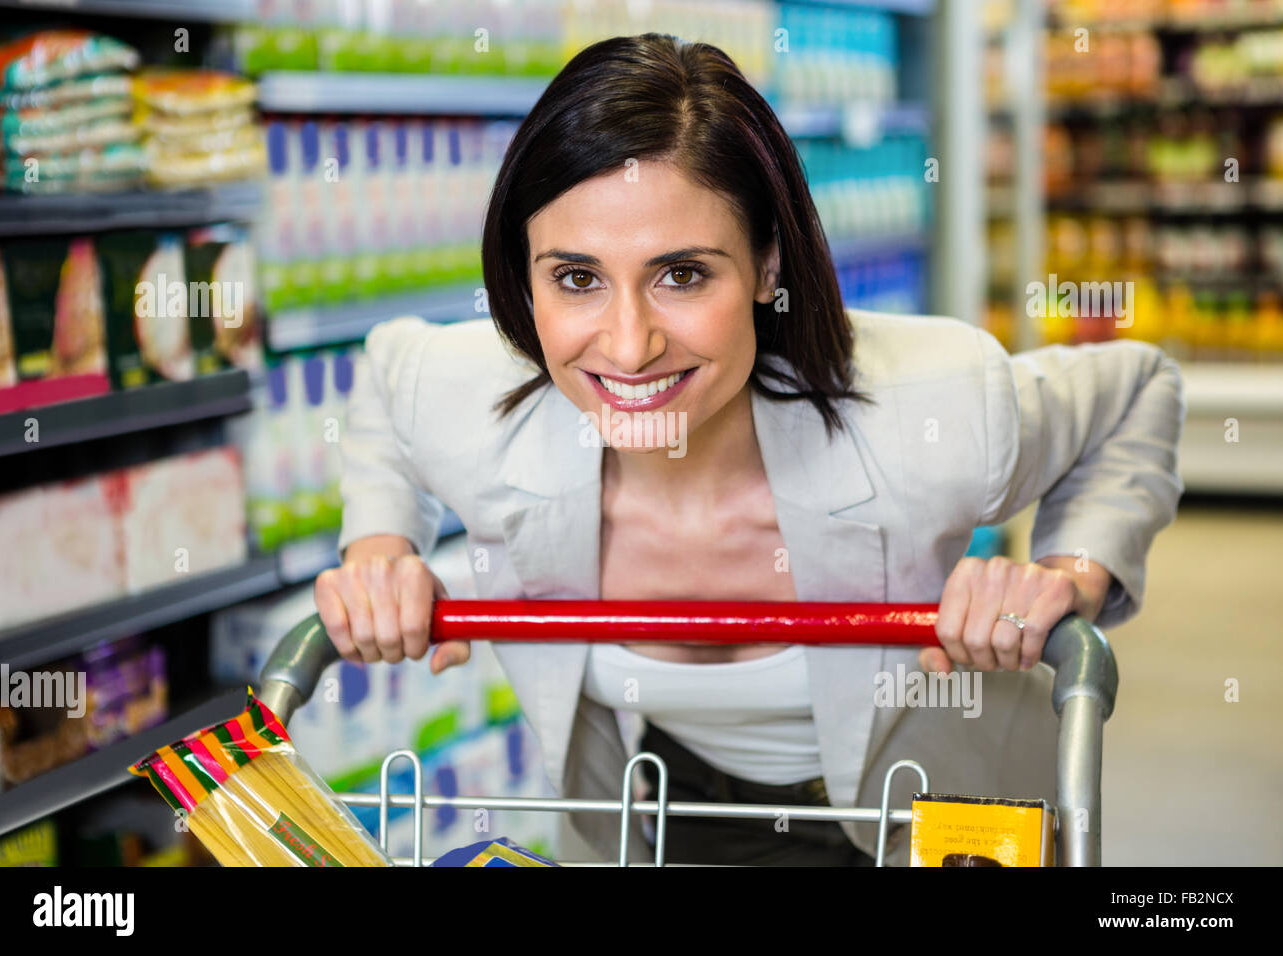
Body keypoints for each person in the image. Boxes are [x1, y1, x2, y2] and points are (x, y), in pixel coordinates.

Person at [314, 33, 1185, 866]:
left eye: (682, 275)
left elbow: (1137, 391)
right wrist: (381, 552)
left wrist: (1065, 575)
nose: (627, 345)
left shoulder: (936, 410)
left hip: (941, 817)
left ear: (769, 265)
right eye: (576, 278)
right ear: (522, 275)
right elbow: (388, 389)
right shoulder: (468, 396)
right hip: (674, 810)